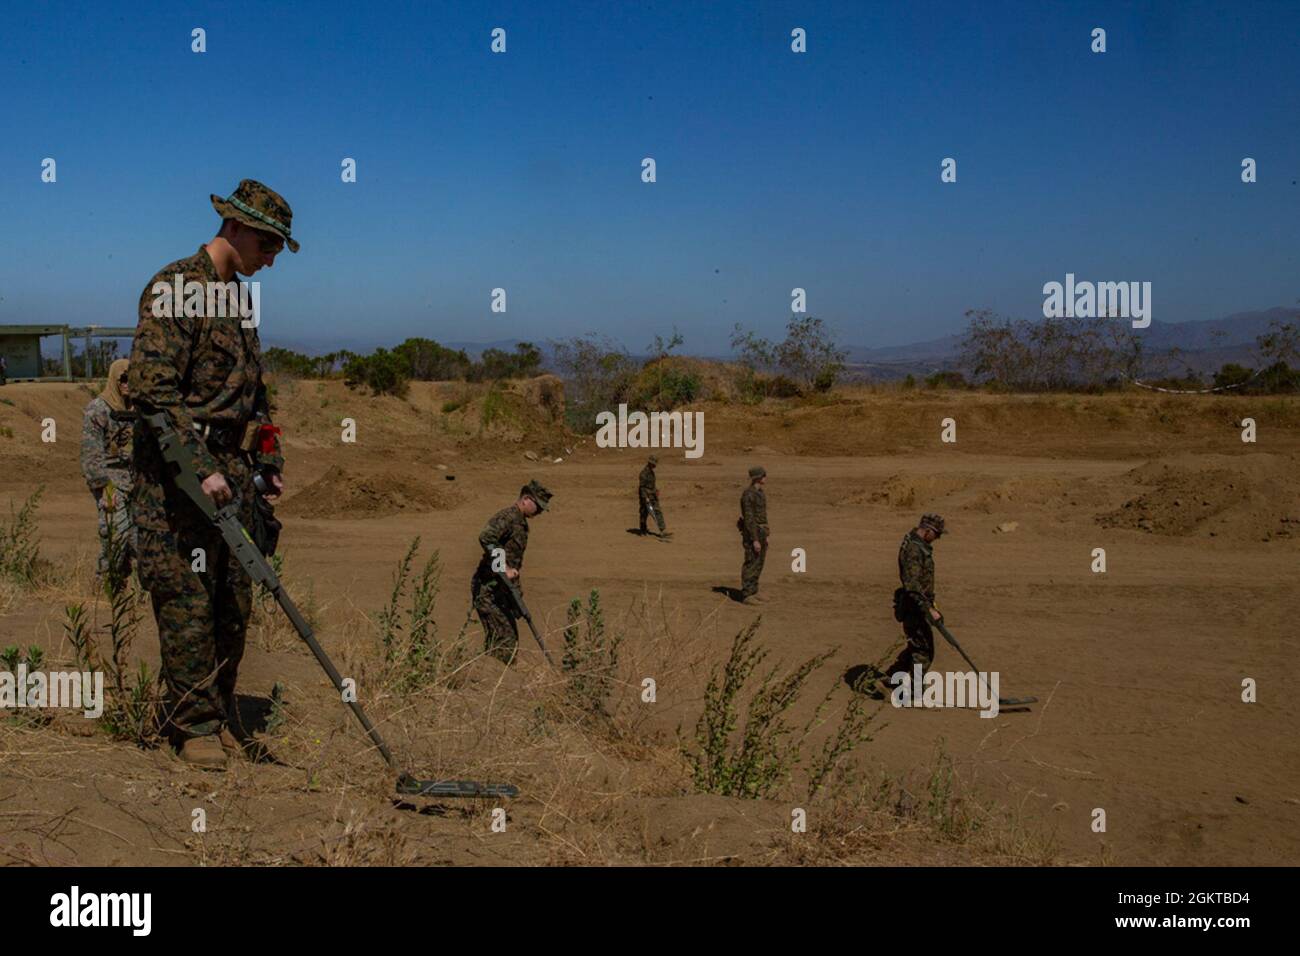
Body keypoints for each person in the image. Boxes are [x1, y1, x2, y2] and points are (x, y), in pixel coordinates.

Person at [128, 179, 296, 769]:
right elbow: (153, 392)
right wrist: (201, 469)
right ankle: (192, 727)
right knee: (188, 601)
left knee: (233, 601)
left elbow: (256, 396)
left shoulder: (238, 302)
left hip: (235, 476)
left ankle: (219, 711)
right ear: (237, 228)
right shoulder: (175, 288)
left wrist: (268, 460)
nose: (271, 260)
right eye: (269, 245)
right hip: (178, 483)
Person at [472, 480, 552, 663]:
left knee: (506, 638)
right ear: (525, 499)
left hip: (501, 590)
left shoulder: (520, 522)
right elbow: (486, 536)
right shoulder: (508, 517)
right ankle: (492, 680)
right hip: (488, 589)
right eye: (537, 506)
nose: (539, 511)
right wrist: (503, 567)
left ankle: (493, 676)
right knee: (504, 640)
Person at [80, 358, 137, 577]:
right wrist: (103, 487)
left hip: (135, 481)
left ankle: (124, 586)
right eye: (123, 379)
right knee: (116, 534)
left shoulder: (138, 408)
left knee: (138, 540)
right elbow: (90, 452)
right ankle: (104, 582)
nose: (127, 383)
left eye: (132, 378)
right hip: (110, 480)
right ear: (114, 379)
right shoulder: (98, 409)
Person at [880, 513, 947, 691]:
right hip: (915, 606)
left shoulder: (917, 544)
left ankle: (891, 679)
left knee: (916, 646)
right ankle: (914, 693)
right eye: (937, 534)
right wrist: (928, 609)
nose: (937, 539)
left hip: (918, 605)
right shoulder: (914, 550)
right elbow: (913, 586)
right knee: (923, 651)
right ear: (927, 531)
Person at [738, 465, 769, 605]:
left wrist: (766, 534)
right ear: (758, 478)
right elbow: (749, 519)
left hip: (761, 532)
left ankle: (754, 590)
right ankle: (747, 594)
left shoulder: (760, 493)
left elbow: (763, 516)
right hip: (753, 533)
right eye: (763, 475)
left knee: (759, 563)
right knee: (751, 563)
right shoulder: (748, 495)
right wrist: (755, 539)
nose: (765, 478)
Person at [638, 455, 666, 535]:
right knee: (644, 513)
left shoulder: (651, 472)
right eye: (653, 463)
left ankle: (662, 530)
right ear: (649, 463)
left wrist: (655, 490)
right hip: (646, 497)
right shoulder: (643, 473)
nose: (655, 465)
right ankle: (643, 530)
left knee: (657, 511)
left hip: (653, 496)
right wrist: (645, 498)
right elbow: (642, 487)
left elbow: (651, 485)